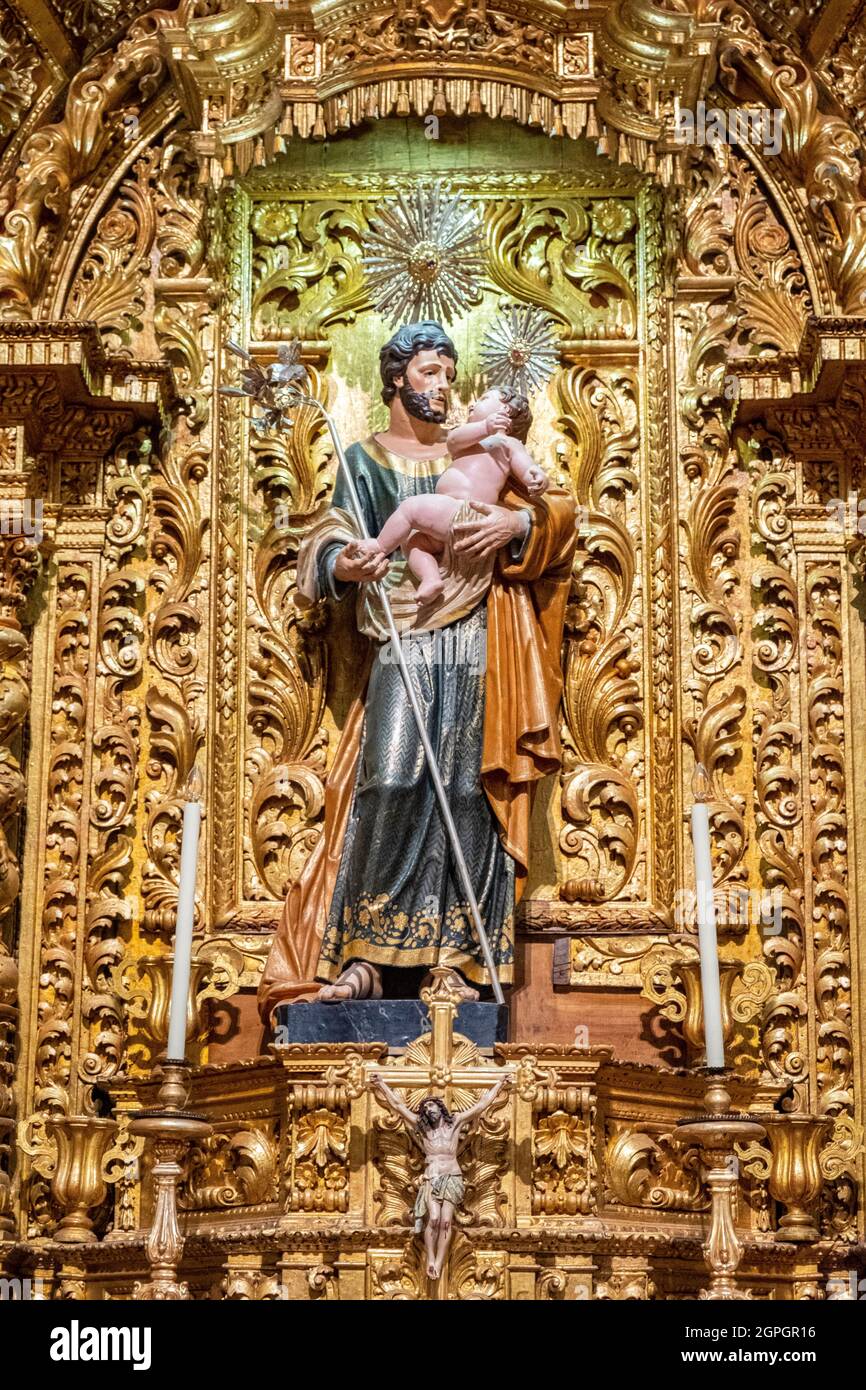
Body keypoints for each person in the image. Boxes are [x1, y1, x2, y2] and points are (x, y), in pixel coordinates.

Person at [257, 320, 576, 1017]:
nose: (444, 387)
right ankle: (364, 955)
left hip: (479, 637)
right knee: (393, 776)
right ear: (398, 376)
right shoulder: (368, 460)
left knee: (467, 788)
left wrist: (519, 527)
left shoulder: (482, 449)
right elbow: (333, 533)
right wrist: (346, 560)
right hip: (404, 633)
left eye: (450, 373)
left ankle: (458, 960)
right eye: (431, 373)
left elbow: (555, 511)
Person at [358, 386, 548, 605]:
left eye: (483, 399)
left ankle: (380, 547)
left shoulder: (508, 443)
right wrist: (485, 426)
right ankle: (431, 579)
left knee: (411, 508)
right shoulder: (467, 439)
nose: (472, 404)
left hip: (467, 512)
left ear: (506, 410)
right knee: (414, 541)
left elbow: (525, 466)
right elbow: (453, 440)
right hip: (449, 520)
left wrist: (535, 475)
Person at [370, 1070, 509, 1280]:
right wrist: (381, 1084)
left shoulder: (456, 1123)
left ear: (440, 1107)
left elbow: (481, 1105)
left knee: (445, 1222)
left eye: (431, 1105)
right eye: (425, 1107)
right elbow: (398, 1106)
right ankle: (431, 1257)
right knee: (433, 1219)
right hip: (432, 1177)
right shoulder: (423, 1129)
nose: (428, 1109)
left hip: (452, 1176)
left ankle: (439, 1260)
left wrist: (500, 1085)